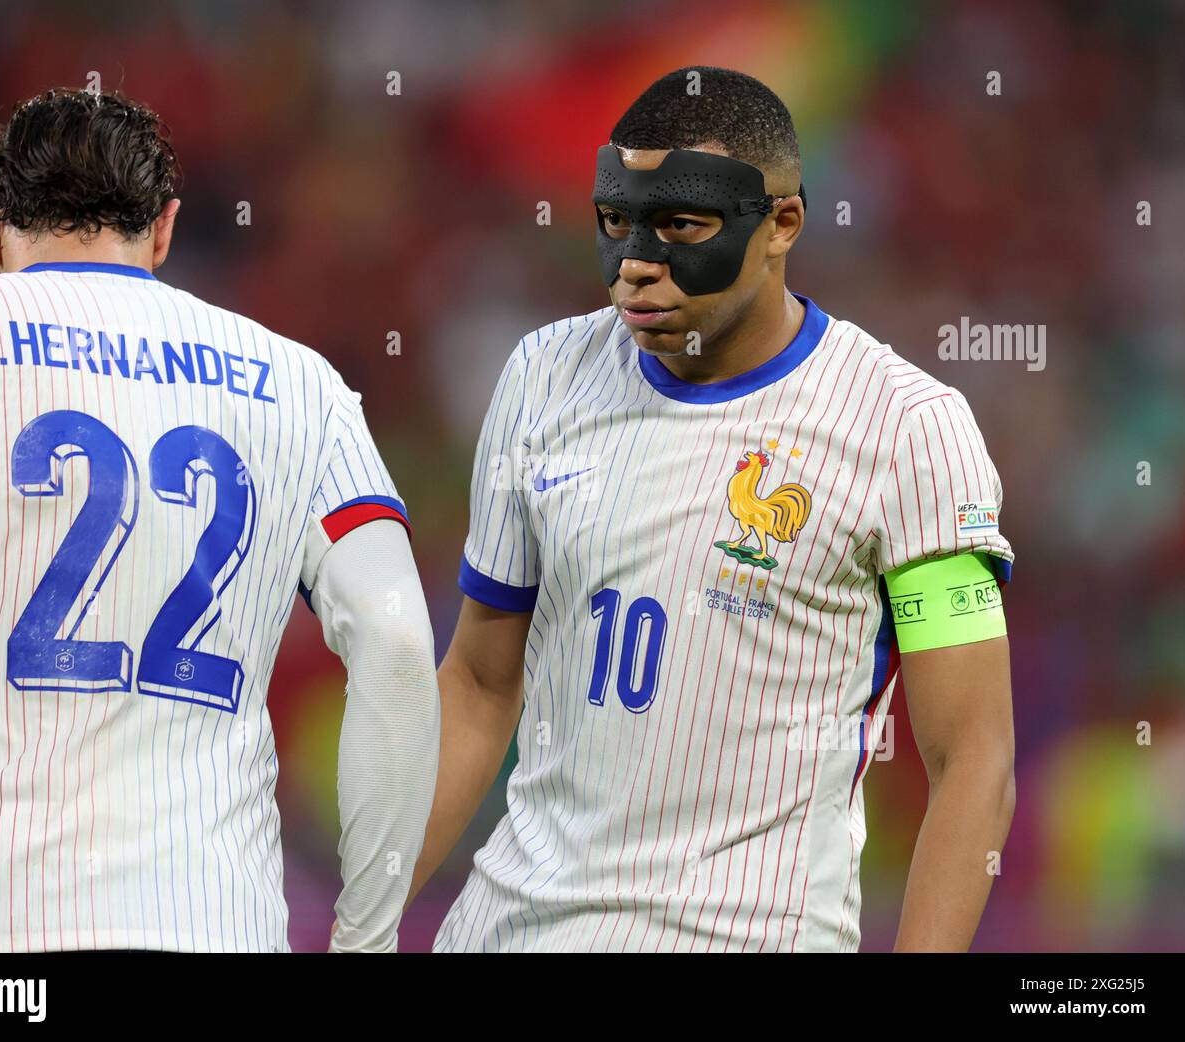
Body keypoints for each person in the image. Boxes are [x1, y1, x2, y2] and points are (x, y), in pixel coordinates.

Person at [413, 67, 1015, 952]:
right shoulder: (543, 376)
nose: (635, 267)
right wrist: (363, 914)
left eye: (682, 227)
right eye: (617, 225)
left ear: (783, 224)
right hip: (506, 930)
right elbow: (476, 682)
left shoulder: (908, 429)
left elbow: (974, 764)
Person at [0, 88, 438, 953]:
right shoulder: (303, 383)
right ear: (166, 228)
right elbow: (402, 646)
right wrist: (366, 941)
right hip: (211, 921)